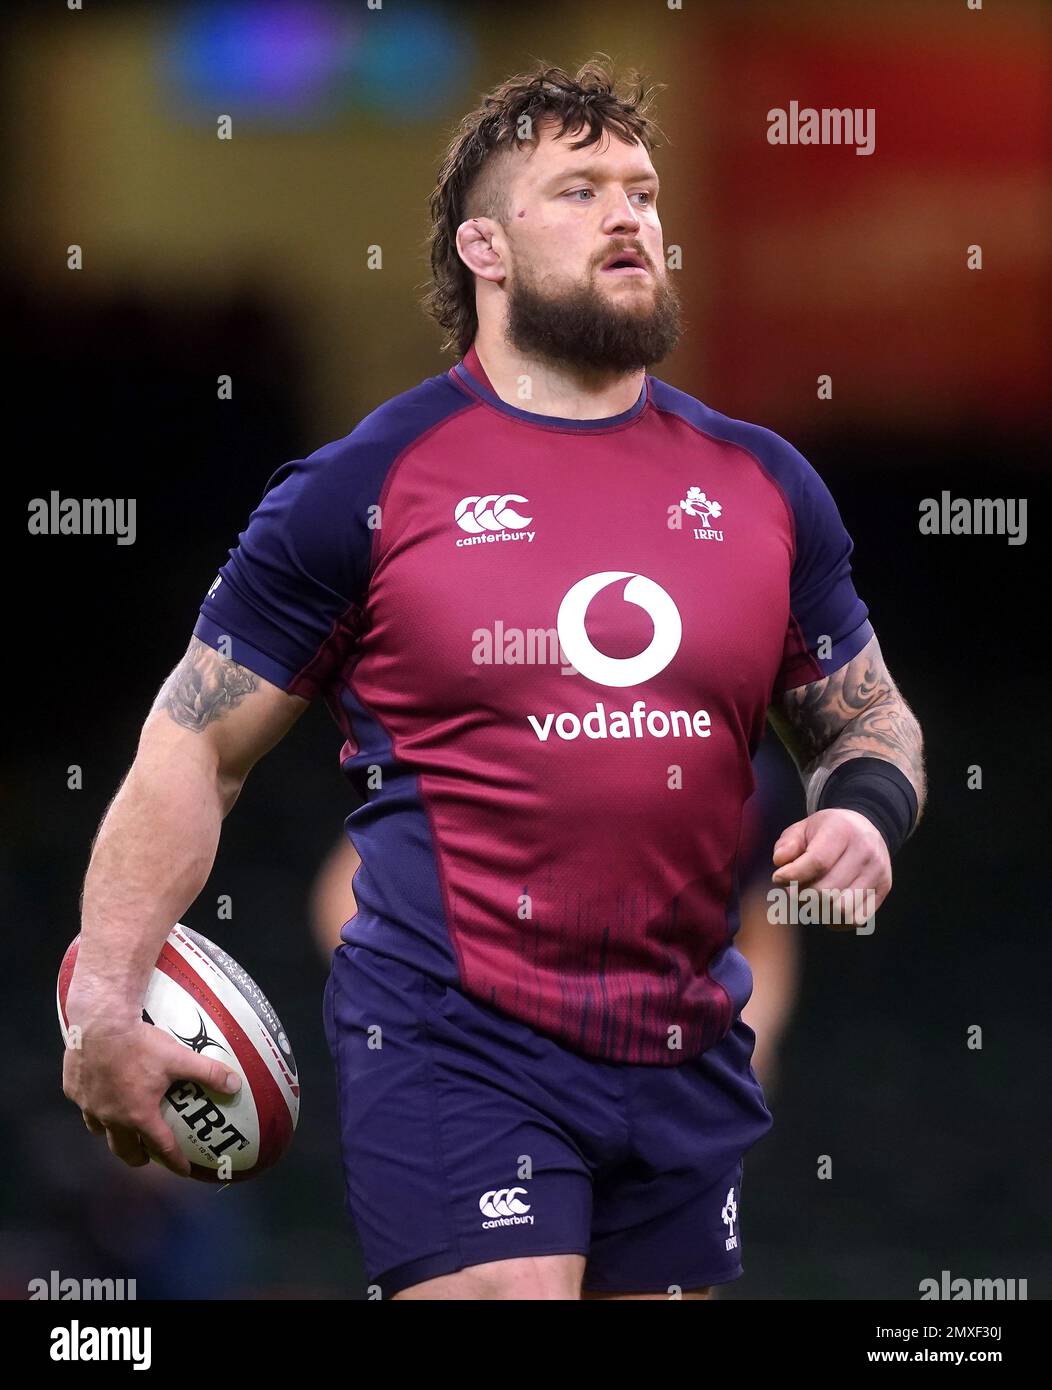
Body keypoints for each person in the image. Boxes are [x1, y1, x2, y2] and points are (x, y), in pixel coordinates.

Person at [62, 57, 925, 1302]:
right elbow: (193, 742)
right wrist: (103, 1002)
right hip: (454, 1038)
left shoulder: (765, 485)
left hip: (685, 1048)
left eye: (641, 188)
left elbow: (869, 721)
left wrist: (863, 808)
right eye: (579, 189)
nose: (629, 213)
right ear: (484, 248)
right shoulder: (362, 485)